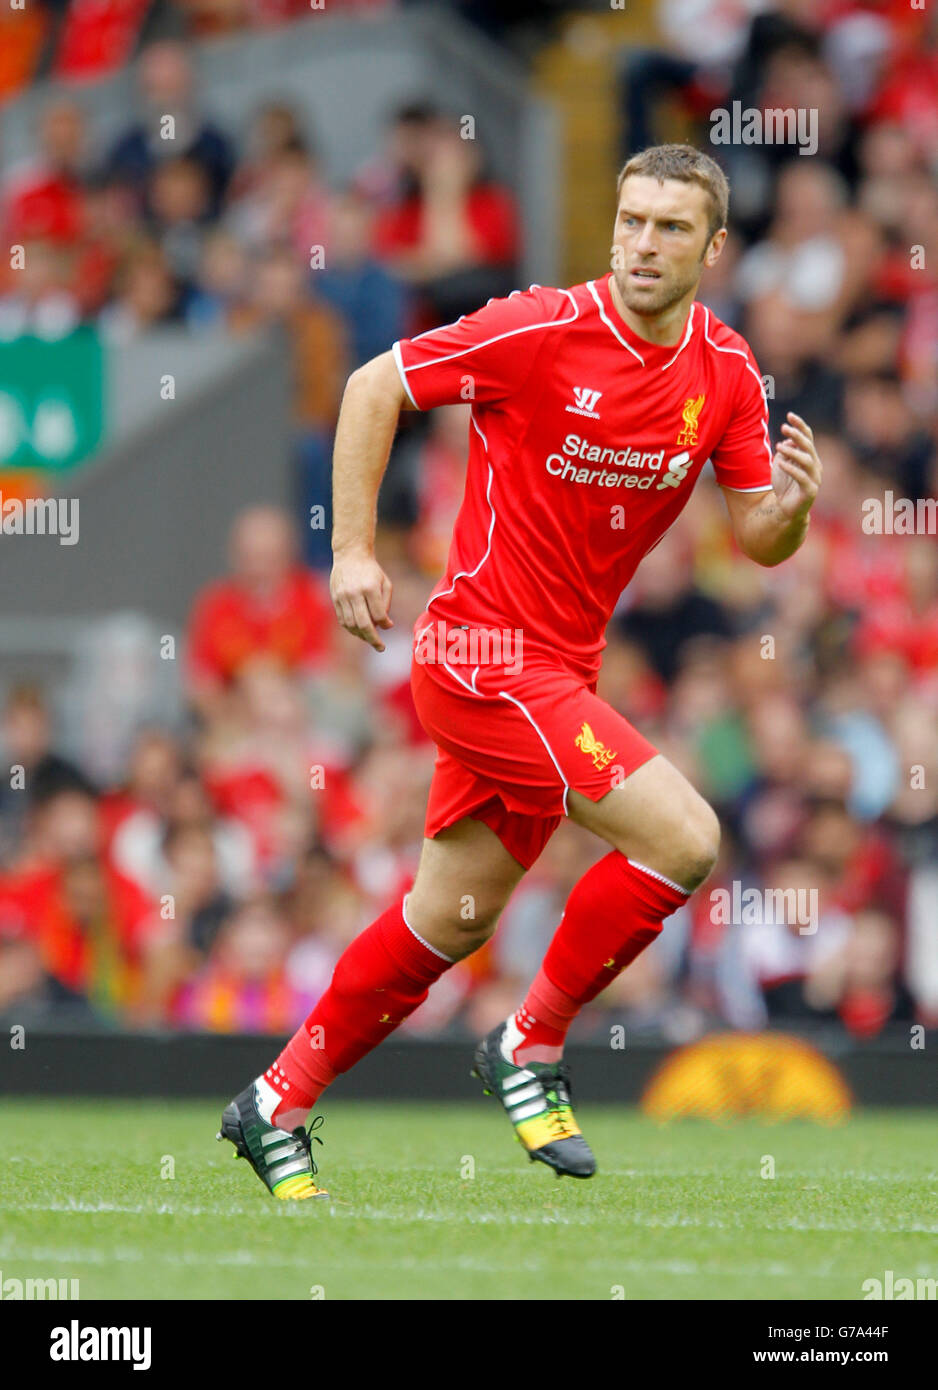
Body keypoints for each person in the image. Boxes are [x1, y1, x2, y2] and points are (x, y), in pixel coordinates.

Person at [217, 143, 823, 1200]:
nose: (641, 242)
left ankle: (274, 1101)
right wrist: (353, 551)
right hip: (477, 654)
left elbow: (758, 535)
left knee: (446, 920)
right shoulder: (538, 327)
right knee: (684, 837)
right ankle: (529, 1044)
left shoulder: (723, 371)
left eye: (670, 227)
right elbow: (374, 386)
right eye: (630, 219)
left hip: (560, 673)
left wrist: (786, 513)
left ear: (713, 247)